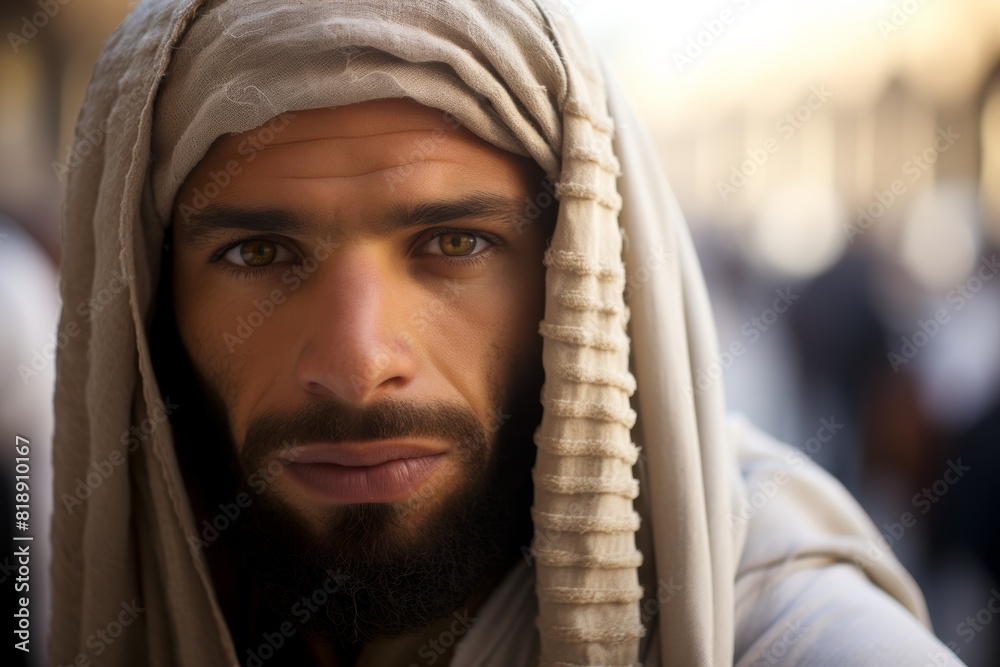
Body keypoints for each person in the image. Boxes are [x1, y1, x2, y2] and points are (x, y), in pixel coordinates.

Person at [49, 0, 967, 665]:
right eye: (257, 253)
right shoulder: (88, 591)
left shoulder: (792, 630)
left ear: (578, 287)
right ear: (150, 304)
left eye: (455, 243)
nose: (358, 364)